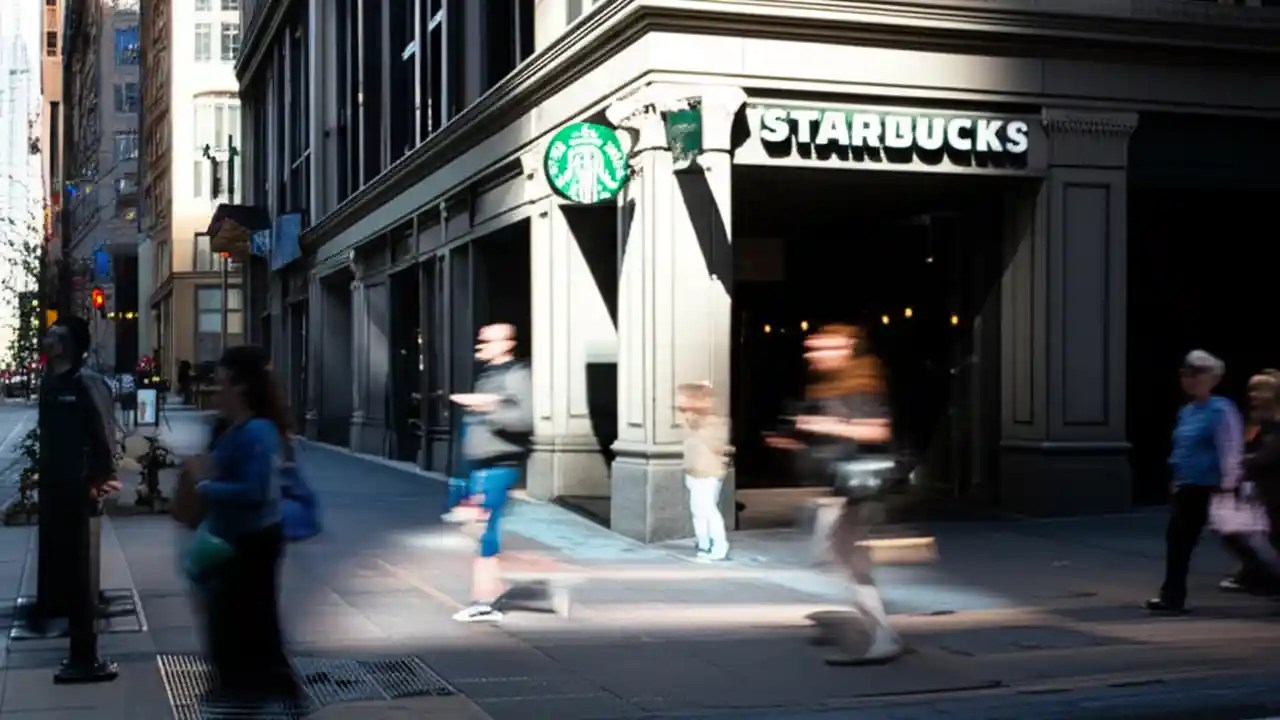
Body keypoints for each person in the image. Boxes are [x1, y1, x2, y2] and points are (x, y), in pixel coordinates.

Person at [766, 324, 903, 664]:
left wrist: (823, 425)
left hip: (865, 484)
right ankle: (881, 630)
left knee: (848, 553)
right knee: (845, 553)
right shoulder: (832, 384)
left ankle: (883, 635)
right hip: (849, 484)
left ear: (845, 348)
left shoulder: (862, 383)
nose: (813, 354)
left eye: (821, 347)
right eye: (811, 349)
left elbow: (878, 430)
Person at [193, 345, 300, 703]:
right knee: (245, 614)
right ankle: (251, 684)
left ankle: (253, 687)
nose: (216, 388)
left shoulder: (257, 431)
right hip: (236, 536)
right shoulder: (232, 426)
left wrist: (205, 486)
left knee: (248, 615)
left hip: (253, 538)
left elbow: (256, 490)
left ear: (239, 386)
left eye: (222, 381)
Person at [38, 320, 122, 683]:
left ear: (70, 345)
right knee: (67, 573)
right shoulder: (50, 383)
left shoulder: (85, 384)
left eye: (56, 337)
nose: (48, 341)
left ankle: (84, 657)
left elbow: (103, 436)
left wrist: (98, 484)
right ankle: (78, 654)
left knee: (81, 575)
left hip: (78, 491)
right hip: (55, 490)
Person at [1146, 350, 1243, 614]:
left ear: (1213, 378)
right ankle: (1172, 596)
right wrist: (1177, 478)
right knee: (1179, 540)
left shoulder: (1220, 409)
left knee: (1240, 539)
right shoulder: (1187, 411)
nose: (1190, 379)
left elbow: (1230, 447)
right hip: (1188, 486)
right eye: (1186, 373)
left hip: (1211, 487)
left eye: (1197, 373)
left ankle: (1264, 576)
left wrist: (1229, 485)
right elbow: (1183, 449)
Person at [450, 323, 533, 623]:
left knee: (485, 529)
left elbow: (525, 418)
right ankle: (491, 591)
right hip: (482, 465)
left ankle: (484, 602)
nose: (480, 346)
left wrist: (488, 406)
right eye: (480, 341)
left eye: (487, 341)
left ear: (507, 344)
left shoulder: (516, 375)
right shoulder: (489, 375)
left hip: (499, 465)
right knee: (478, 527)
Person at [1219, 370, 1280, 594]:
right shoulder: (1257, 421)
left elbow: (1270, 454)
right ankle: (1254, 573)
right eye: (1251, 390)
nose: (1253, 394)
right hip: (1258, 487)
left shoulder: (1276, 424)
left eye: (1259, 390)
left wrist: (1243, 461)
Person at [678, 381, 732, 561]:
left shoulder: (715, 422)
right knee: (697, 510)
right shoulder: (690, 420)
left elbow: (717, 445)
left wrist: (696, 419)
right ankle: (703, 542)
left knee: (708, 510)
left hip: (708, 472)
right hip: (693, 470)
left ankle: (719, 545)